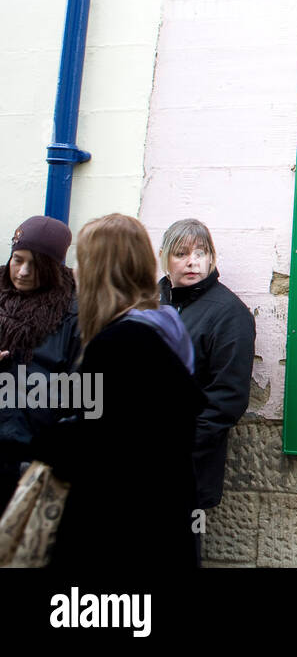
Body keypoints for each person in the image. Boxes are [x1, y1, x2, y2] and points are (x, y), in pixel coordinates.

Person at [31, 213, 205, 568]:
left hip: (119, 536)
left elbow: (99, 449)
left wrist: (45, 434)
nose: (77, 274)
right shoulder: (167, 327)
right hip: (162, 526)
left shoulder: (120, 343)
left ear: (102, 272)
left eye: (84, 262)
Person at [158, 218, 255, 511]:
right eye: (181, 254)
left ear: (211, 258)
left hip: (187, 467)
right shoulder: (150, 302)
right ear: (164, 257)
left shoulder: (229, 314)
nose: (192, 262)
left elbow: (227, 399)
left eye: (200, 253)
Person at [0, 216, 80, 505]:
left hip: (32, 461)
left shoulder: (73, 314)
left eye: (34, 265)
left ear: (53, 267)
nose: (22, 272)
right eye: (17, 259)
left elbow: (82, 394)